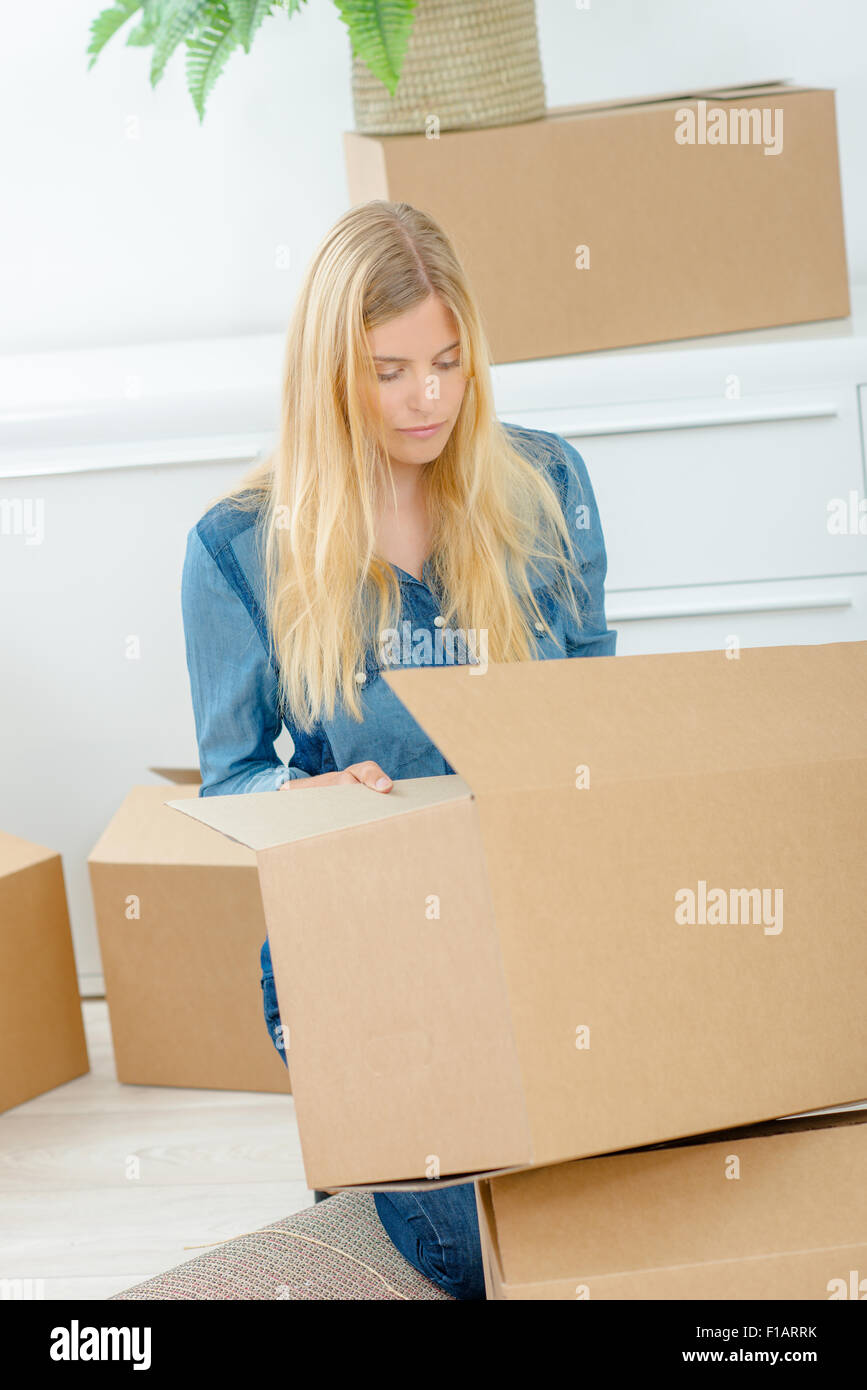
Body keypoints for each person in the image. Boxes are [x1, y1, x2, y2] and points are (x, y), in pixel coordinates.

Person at [180, 199, 616, 1300]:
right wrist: (313, 792)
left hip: (544, 911)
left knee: (613, 1218)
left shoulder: (547, 484)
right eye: (388, 371)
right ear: (330, 373)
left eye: (449, 362)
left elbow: (609, 720)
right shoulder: (237, 545)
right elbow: (235, 777)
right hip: (368, 946)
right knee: (481, 1260)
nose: (427, 398)